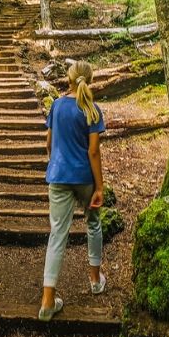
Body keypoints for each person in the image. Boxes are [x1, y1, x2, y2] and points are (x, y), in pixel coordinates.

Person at [39, 60, 106, 321]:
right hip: (84, 178)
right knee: (93, 224)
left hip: (58, 176)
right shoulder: (92, 109)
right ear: (89, 80)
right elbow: (93, 152)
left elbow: (48, 142)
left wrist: (56, 160)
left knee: (57, 233)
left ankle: (47, 301)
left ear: (68, 79)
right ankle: (95, 280)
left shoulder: (56, 106)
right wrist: (99, 187)